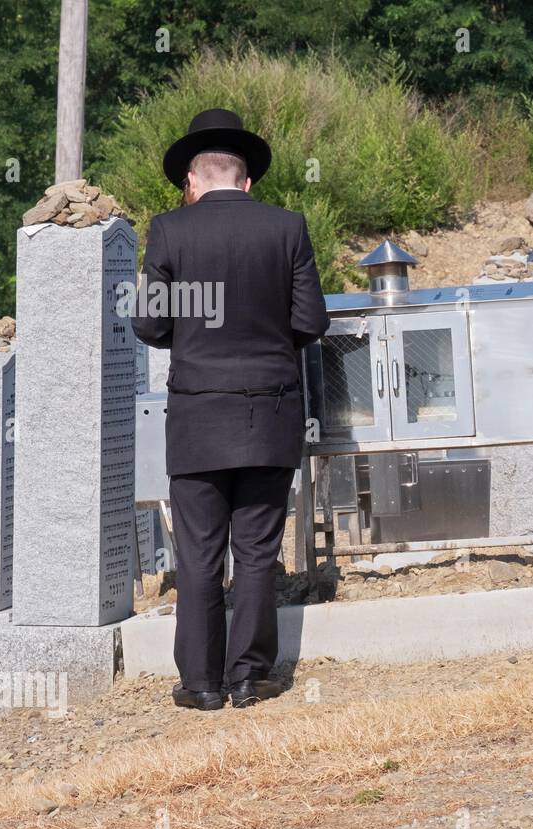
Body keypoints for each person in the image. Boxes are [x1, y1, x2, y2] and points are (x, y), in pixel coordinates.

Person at [134, 108, 329, 710]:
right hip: (269, 412)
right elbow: (312, 322)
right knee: (257, 550)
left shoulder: (169, 232)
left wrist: (195, 340)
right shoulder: (288, 227)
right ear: (247, 181)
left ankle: (200, 683)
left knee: (198, 553)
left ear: (191, 182)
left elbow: (148, 323)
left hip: (196, 416)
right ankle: (250, 676)